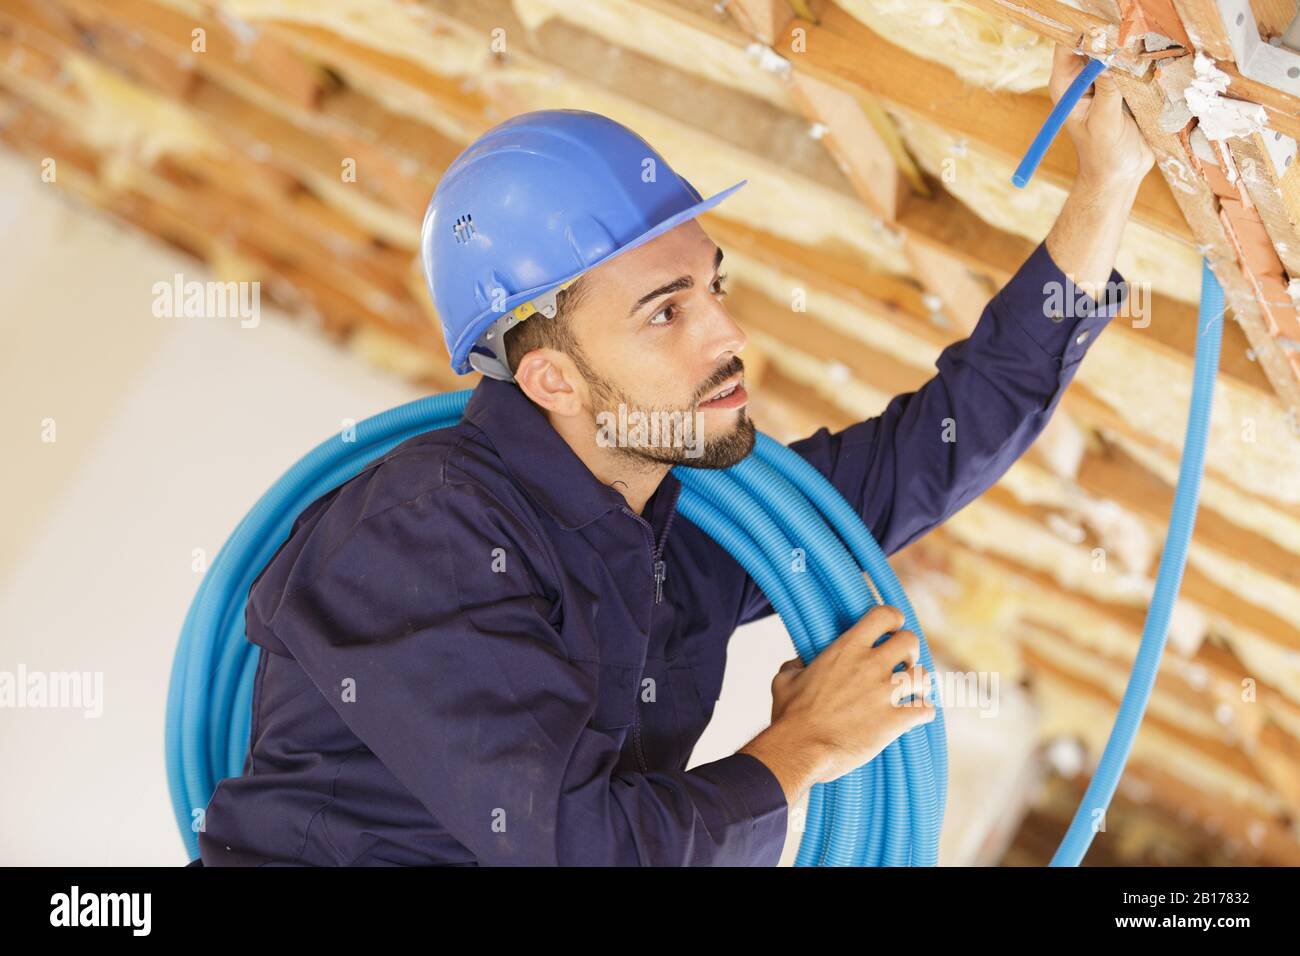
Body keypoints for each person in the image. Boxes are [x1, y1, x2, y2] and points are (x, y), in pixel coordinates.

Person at [197, 45, 1152, 866]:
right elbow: (585, 850)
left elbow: (935, 447)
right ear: (551, 381)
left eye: (710, 286)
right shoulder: (423, 534)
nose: (727, 333)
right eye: (666, 311)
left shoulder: (676, 540)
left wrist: (1107, 182)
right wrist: (804, 744)